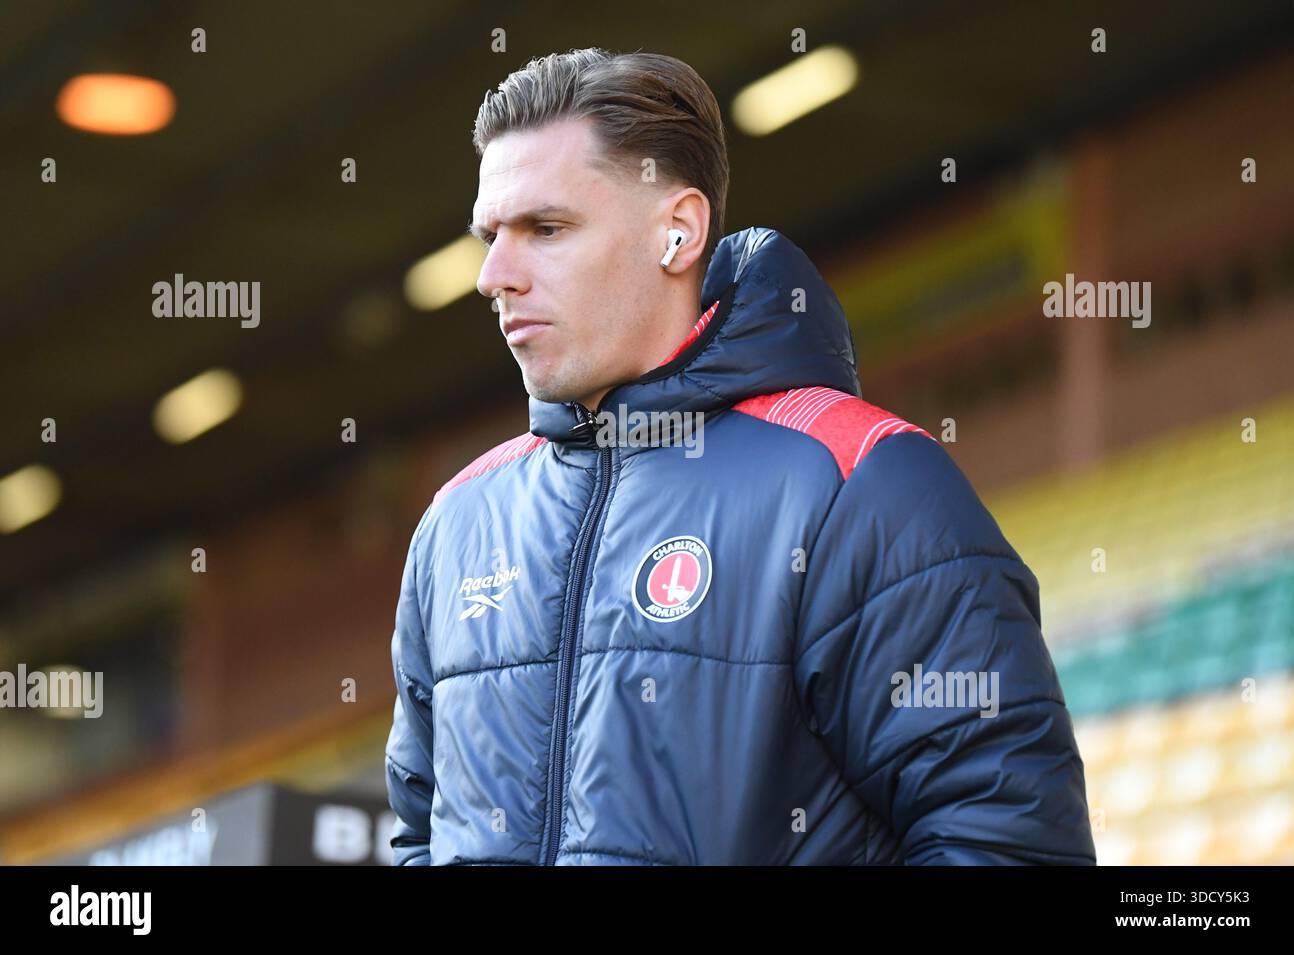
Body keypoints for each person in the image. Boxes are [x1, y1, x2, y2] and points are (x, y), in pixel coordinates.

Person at [384, 48, 1096, 865]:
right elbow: (418, 837)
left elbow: (1005, 839)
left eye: (545, 228)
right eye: (489, 236)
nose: (491, 275)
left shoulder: (858, 479)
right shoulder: (458, 523)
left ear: (677, 232)